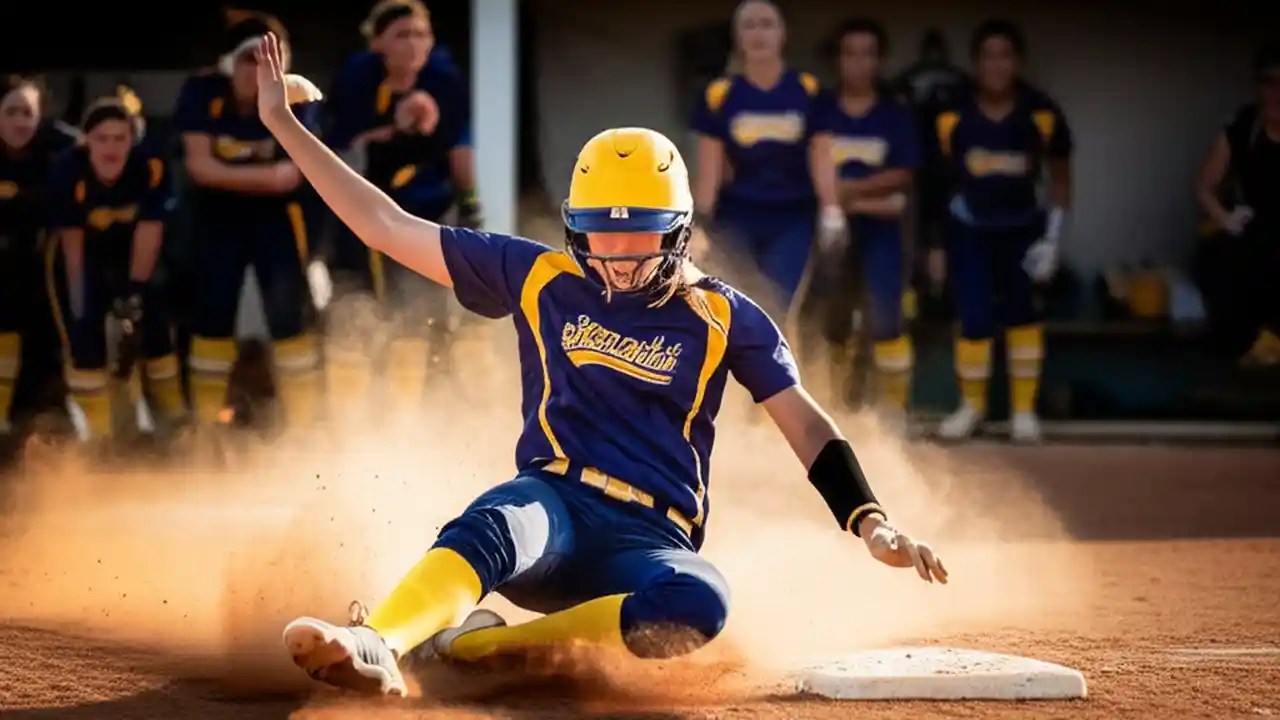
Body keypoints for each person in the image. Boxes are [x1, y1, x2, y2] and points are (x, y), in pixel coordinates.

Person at [246, 33, 947, 697]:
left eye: (639, 236)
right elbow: (386, 226)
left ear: (679, 233)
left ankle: (475, 649)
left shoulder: (725, 315)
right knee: (497, 518)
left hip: (649, 540)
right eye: (599, 236)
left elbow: (807, 426)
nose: (616, 258)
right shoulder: (541, 274)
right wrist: (283, 125)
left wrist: (871, 522)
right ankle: (378, 642)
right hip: (552, 508)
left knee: (701, 600)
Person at [322, 0, 482, 417]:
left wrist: (470, 204)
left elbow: (459, 146)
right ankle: (350, 419)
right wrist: (396, 127)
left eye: (421, 35)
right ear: (377, 42)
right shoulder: (357, 78)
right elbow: (339, 154)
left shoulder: (445, 80)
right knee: (356, 311)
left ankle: (407, 419)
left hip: (427, 209)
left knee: (421, 312)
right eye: (402, 35)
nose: (413, 44)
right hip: (363, 213)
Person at [173, 11, 323, 433]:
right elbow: (200, 168)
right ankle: (205, 431)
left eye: (272, 60)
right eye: (250, 59)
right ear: (227, 62)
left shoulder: (299, 95)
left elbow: (295, 175)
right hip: (216, 219)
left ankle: (305, 431)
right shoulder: (202, 91)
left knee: (289, 318)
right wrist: (267, 177)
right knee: (211, 317)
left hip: (280, 221)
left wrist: (230, 173)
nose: (260, 71)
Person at [932, 20, 1073, 443]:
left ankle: (1023, 411)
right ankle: (971, 407)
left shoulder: (1041, 113)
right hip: (969, 229)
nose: (996, 65)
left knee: (1023, 315)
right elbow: (937, 182)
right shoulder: (952, 113)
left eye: (1005, 56)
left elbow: (1061, 178)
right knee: (973, 316)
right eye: (988, 56)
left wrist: (1053, 239)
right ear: (976, 63)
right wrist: (935, 243)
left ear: (1018, 62)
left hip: (1023, 231)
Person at [689, 0, 844, 329]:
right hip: (737, 217)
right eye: (749, 26)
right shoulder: (719, 94)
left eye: (767, 25)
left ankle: (775, 364)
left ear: (783, 34)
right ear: (737, 36)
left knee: (776, 306)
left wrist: (831, 210)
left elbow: (821, 154)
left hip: (792, 218)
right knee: (733, 305)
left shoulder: (808, 89)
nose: (758, 34)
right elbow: (710, 168)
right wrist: (699, 225)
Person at [47, 94, 184, 442]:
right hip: (84, 255)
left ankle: (177, 427)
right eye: (102, 139)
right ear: (86, 140)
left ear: (132, 139)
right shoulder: (67, 170)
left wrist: (134, 295)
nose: (111, 148)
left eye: (120, 138)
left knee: (155, 329)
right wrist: (80, 309)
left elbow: (150, 231)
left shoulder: (150, 165)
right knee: (84, 338)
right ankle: (99, 441)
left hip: (135, 252)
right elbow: (73, 246)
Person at [812, 19, 922, 420]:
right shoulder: (822, 109)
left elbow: (904, 175)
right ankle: (834, 410)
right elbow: (813, 165)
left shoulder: (894, 115)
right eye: (850, 53)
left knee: (887, 318)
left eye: (867, 54)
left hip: (883, 234)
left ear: (879, 60)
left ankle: (895, 414)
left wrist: (847, 193)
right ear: (838, 59)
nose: (858, 62)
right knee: (833, 320)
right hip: (832, 231)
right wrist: (871, 199)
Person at [0, 76, 78, 440]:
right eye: (11, 112)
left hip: (49, 259)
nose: (20, 122)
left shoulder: (63, 146)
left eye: (27, 113)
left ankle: (63, 420)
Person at [1194, 41, 1280, 365]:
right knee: (1219, 256)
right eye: (1269, 82)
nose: (1276, 93)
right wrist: (1224, 218)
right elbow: (1203, 186)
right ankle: (1243, 350)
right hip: (1252, 228)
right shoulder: (1243, 126)